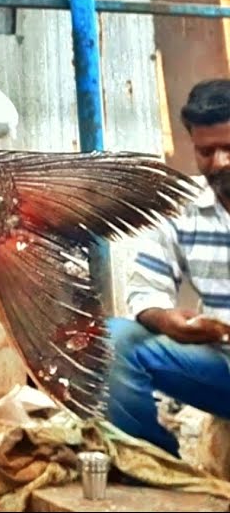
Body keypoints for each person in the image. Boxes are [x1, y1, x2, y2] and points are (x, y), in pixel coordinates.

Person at [106, 78, 230, 457]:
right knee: (112, 340)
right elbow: (145, 291)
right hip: (222, 366)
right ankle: (153, 466)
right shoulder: (183, 206)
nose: (220, 162)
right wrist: (169, 321)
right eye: (206, 151)